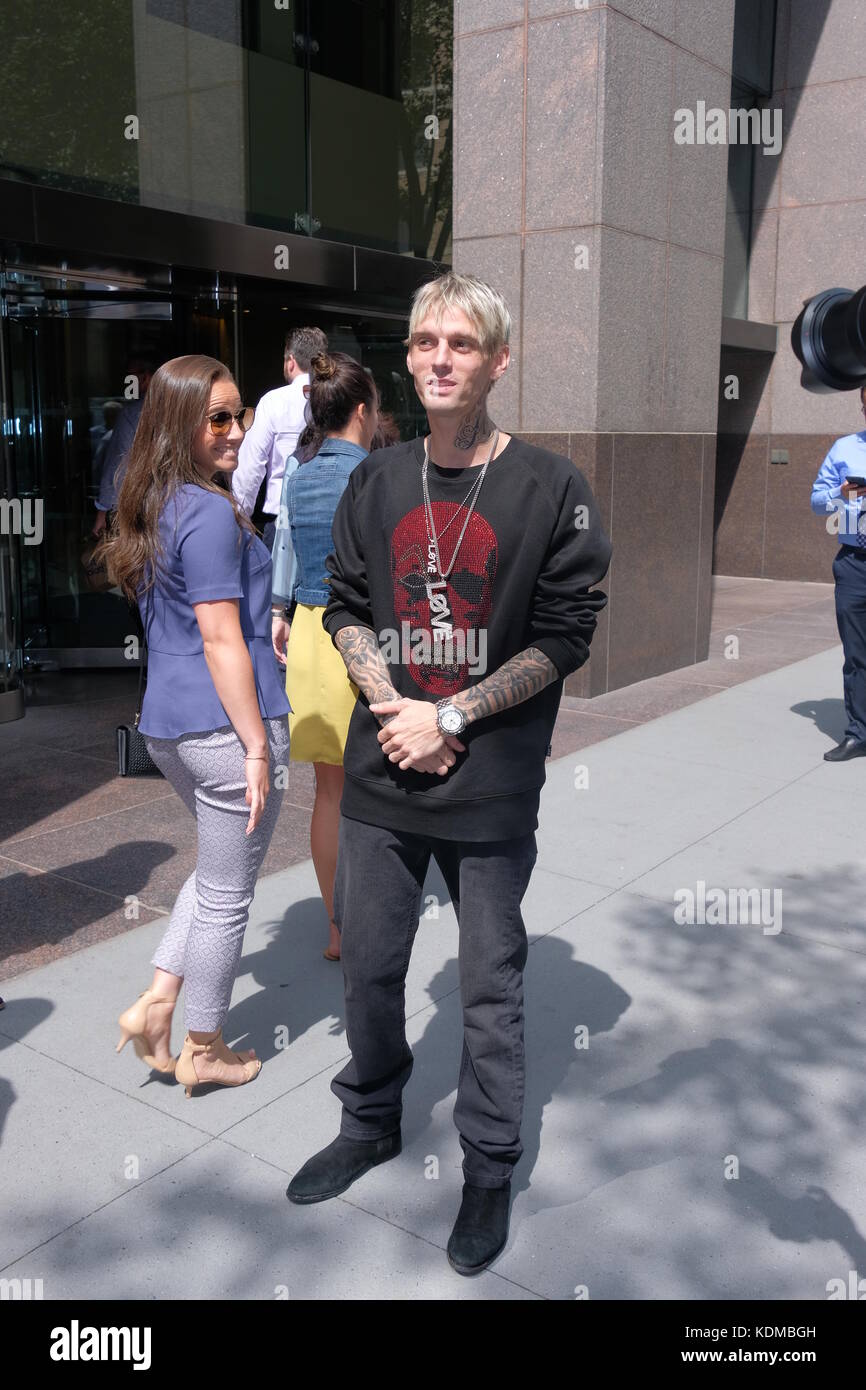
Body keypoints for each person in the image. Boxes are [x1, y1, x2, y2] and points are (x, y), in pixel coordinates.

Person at [286, 272, 612, 1276]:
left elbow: (566, 634)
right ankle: (371, 1117)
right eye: (424, 340)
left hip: (488, 790)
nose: (437, 357)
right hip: (384, 778)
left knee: (486, 991)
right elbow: (339, 605)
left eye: (461, 344)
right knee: (373, 974)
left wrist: (455, 712)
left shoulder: (551, 486)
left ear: (495, 361)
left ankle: (486, 1166)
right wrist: (393, 706)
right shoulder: (374, 481)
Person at [99, 355, 291, 1095]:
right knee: (229, 893)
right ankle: (204, 1047)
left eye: (239, 414)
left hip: (169, 725)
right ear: (180, 423)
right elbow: (216, 637)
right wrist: (254, 747)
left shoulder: (153, 501)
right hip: (223, 727)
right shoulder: (206, 511)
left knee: (214, 877)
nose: (238, 430)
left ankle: (157, 1007)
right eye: (219, 418)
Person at [270, 352, 379, 963]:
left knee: (329, 792)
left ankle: (337, 929)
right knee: (374, 788)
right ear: (362, 409)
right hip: (362, 638)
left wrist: (279, 614)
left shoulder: (298, 472)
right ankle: (371, 919)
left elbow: (284, 549)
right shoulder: (377, 473)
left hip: (310, 637)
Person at [232, 327, 328, 550]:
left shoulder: (273, 401)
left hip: (282, 518)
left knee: (278, 584)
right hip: (330, 515)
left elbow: (250, 467)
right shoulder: (335, 397)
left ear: (290, 361)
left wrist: (239, 522)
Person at [811, 383, 866, 760]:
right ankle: (858, 732)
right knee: (856, 654)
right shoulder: (845, 448)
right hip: (854, 564)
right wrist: (840, 496)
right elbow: (817, 501)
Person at [91, 356, 158, 536]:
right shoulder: (183, 409)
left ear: (148, 377)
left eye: (132, 376)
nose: (129, 382)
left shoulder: (133, 413)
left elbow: (119, 463)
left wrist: (104, 509)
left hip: (143, 510)